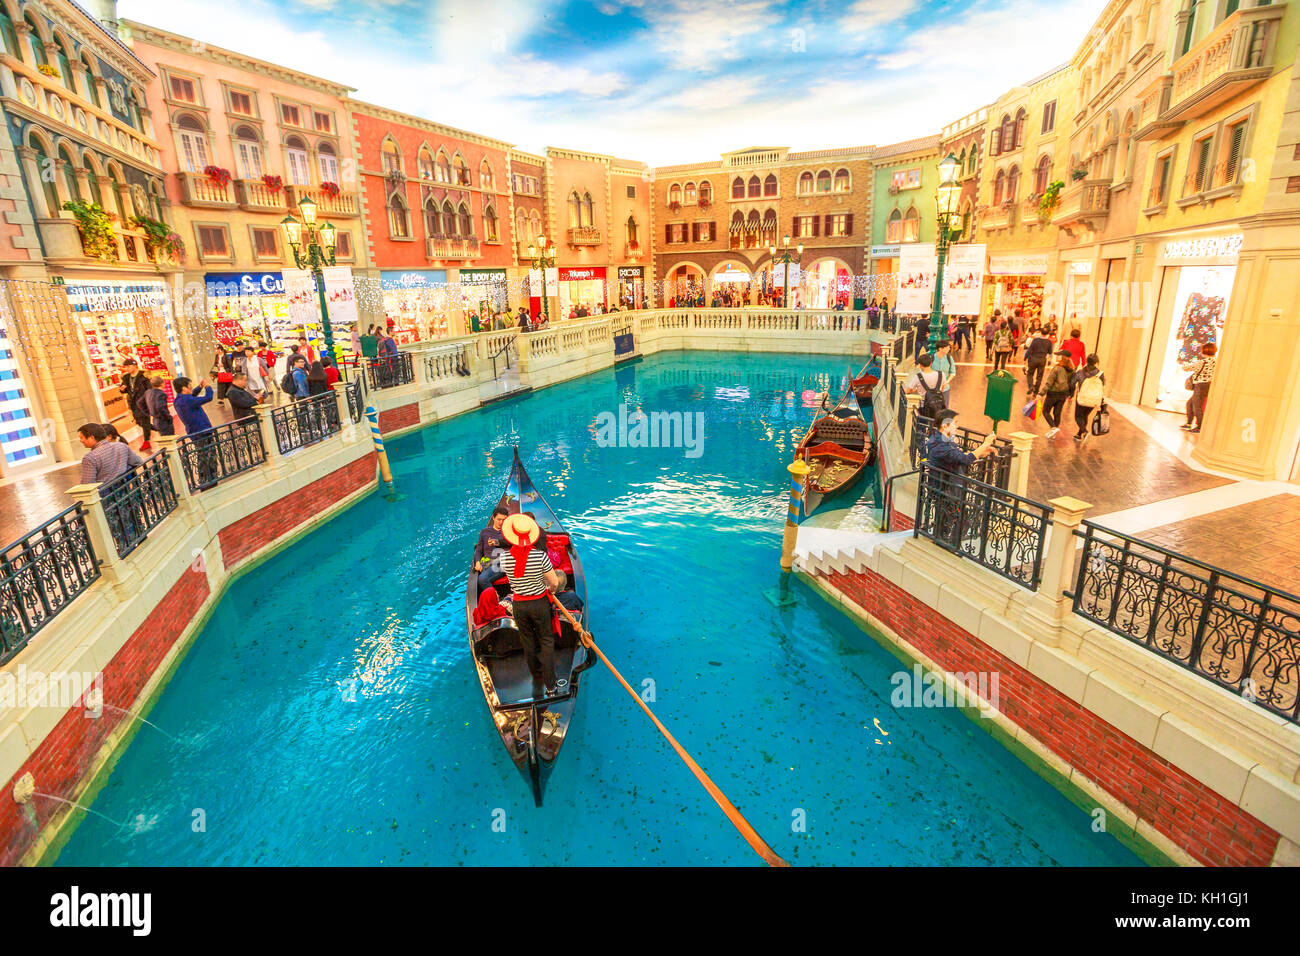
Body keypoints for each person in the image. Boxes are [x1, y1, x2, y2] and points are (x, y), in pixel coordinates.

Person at [498, 513, 563, 697]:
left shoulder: (505, 558)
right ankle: (551, 685)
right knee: (546, 640)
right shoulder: (540, 556)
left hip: (519, 605)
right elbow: (554, 583)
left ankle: (536, 674)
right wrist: (550, 589)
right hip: (539, 603)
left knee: (528, 640)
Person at [78, 422, 143, 484]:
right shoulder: (121, 445)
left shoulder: (89, 458)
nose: (80, 440)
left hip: (105, 491)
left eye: (81, 438)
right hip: (124, 487)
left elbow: (87, 484)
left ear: (92, 437)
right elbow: (138, 461)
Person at [119, 358, 153, 451]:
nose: (127, 368)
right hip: (133, 403)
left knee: (145, 421)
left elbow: (149, 389)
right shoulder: (126, 377)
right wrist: (122, 390)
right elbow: (125, 389)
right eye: (125, 367)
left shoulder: (144, 375)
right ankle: (159, 428)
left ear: (135, 365)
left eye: (129, 366)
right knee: (139, 422)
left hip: (144, 402)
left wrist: (149, 401)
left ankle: (147, 441)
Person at [1040, 349, 1074, 439]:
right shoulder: (1071, 369)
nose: (1057, 356)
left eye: (1059, 355)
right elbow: (1072, 383)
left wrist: (1041, 393)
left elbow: (1049, 383)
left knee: (1045, 411)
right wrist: (1070, 394)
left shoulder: (1057, 368)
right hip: (1063, 395)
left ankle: (1053, 427)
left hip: (1053, 394)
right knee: (1057, 413)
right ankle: (1053, 434)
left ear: (1063, 357)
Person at [1072, 353, 1106, 443]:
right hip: (1094, 399)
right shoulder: (1100, 374)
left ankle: (1084, 431)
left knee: (1078, 417)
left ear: (1087, 361)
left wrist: (1070, 393)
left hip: (1082, 398)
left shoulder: (1080, 372)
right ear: (1096, 362)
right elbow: (1102, 386)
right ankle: (1079, 435)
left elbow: (1072, 383)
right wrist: (1101, 400)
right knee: (1085, 415)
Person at [1183, 342, 1216, 433]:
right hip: (1209, 385)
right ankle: (1189, 423)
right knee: (1190, 403)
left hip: (1200, 385)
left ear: (1204, 351)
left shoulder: (1203, 362)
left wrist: (1185, 365)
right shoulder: (1216, 361)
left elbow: (1187, 368)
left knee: (1197, 406)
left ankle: (1200, 427)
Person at [905, 353, 947, 423]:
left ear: (920, 365)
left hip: (924, 408)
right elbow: (942, 389)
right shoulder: (941, 374)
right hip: (939, 406)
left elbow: (908, 391)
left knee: (924, 425)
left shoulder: (918, 377)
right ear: (931, 363)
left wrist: (916, 390)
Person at [1023, 328, 1054, 395]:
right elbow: (1050, 352)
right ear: (1047, 334)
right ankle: (1036, 392)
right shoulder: (1049, 342)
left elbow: (1030, 350)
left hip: (1033, 359)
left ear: (1041, 333)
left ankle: (1031, 386)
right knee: (1039, 376)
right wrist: (1049, 360)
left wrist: (1025, 358)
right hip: (1042, 360)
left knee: (1030, 374)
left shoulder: (1035, 340)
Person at [930, 339, 957, 408]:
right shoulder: (932, 358)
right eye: (947, 348)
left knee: (944, 407)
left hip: (945, 388)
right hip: (933, 388)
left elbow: (953, 372)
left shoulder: (949, 358)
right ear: (940, 349)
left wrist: (947, 382)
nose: (949, 349)